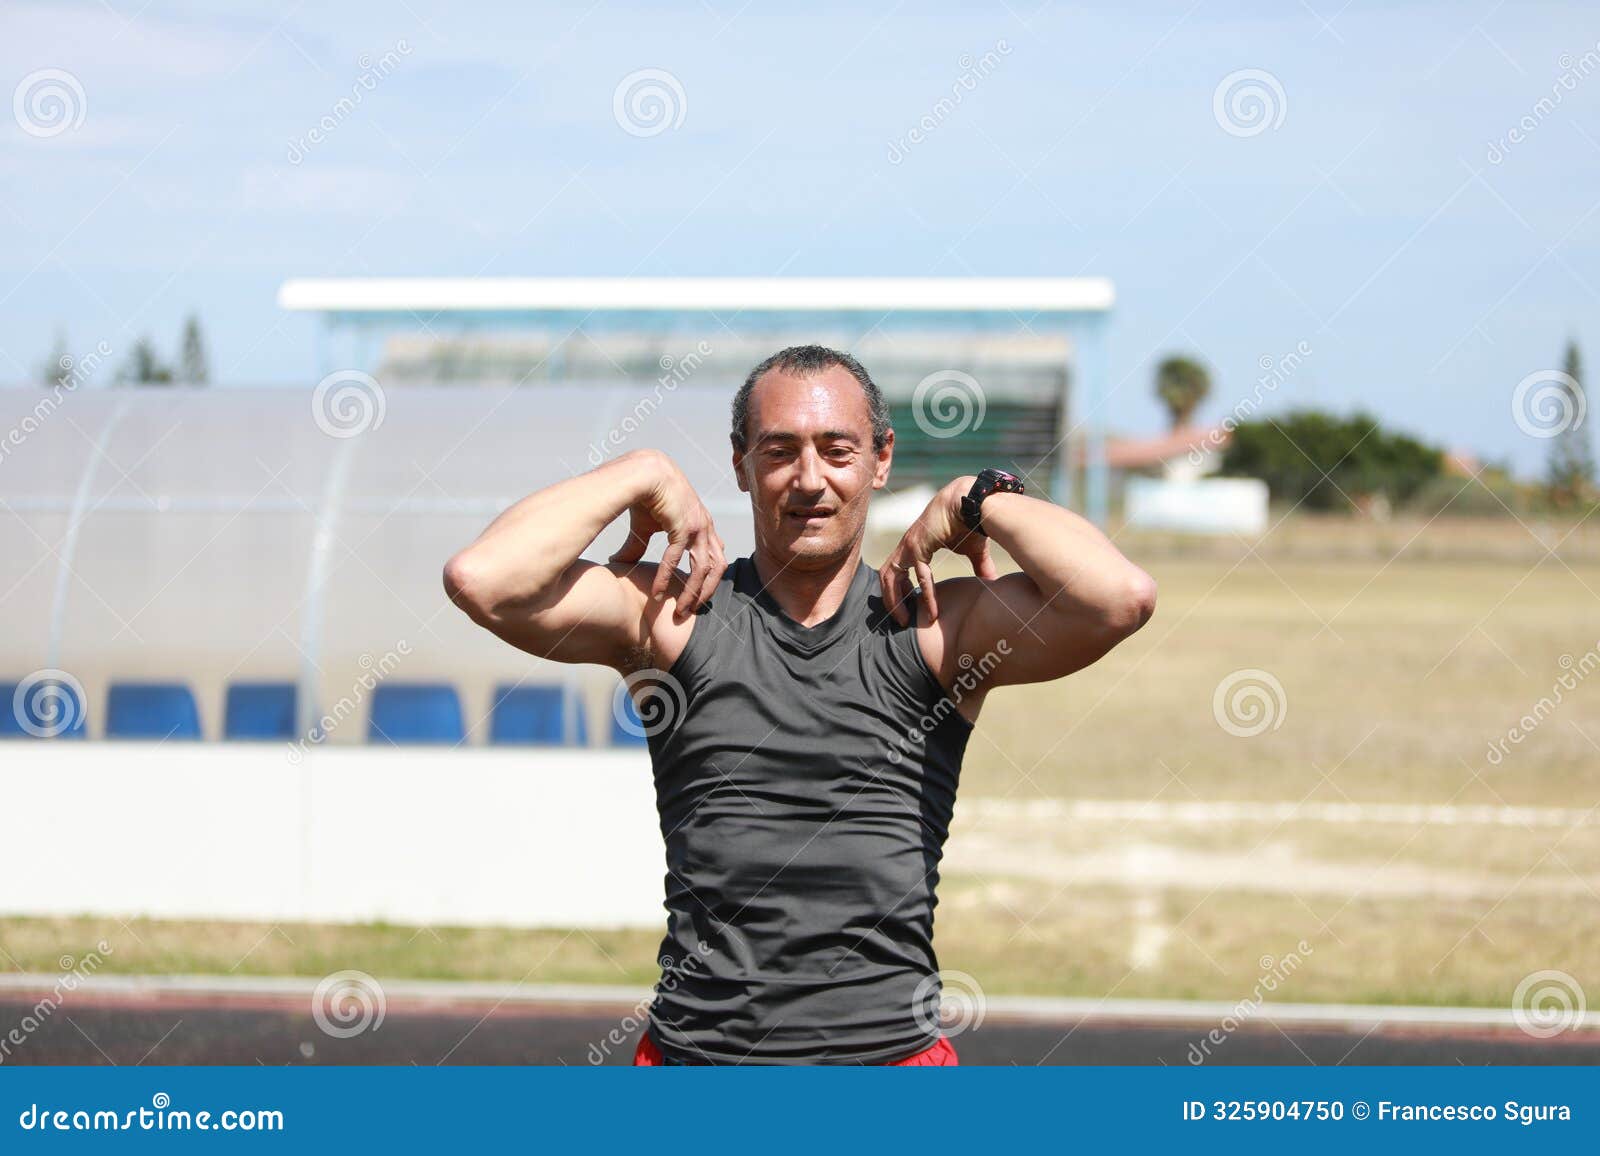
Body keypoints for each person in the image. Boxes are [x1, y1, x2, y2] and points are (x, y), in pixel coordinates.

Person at [443, 345, 1156, 1065]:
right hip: (695, 1064)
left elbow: (1119, 598)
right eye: (779, 451)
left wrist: (977, 497)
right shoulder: (672, 614)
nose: (809, 479)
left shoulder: (936, 628)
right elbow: (483, 580)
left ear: (881, 459)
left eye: (837, 451)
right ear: (740, 463)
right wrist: (641, 471)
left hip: (892, 1067)